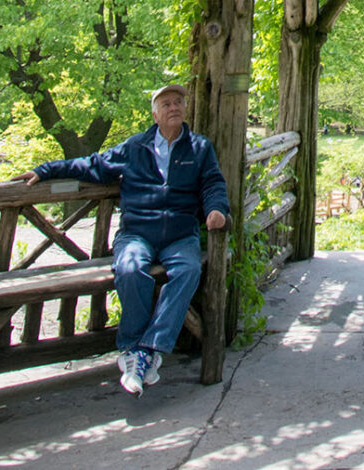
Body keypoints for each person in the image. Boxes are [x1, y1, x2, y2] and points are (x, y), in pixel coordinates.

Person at [21, 83, 228, 396]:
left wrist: (216, 209)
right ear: (155, 115)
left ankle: (146, 350)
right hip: (137, 232)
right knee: (130, 269)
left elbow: (213, 183)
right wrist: (46, 170)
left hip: (180, 234)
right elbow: (92, 165)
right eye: (167, 104)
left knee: (188, 270)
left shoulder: (199, 148)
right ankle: (135, 347)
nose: (174, 107)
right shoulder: (135, 147)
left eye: (178, 102)